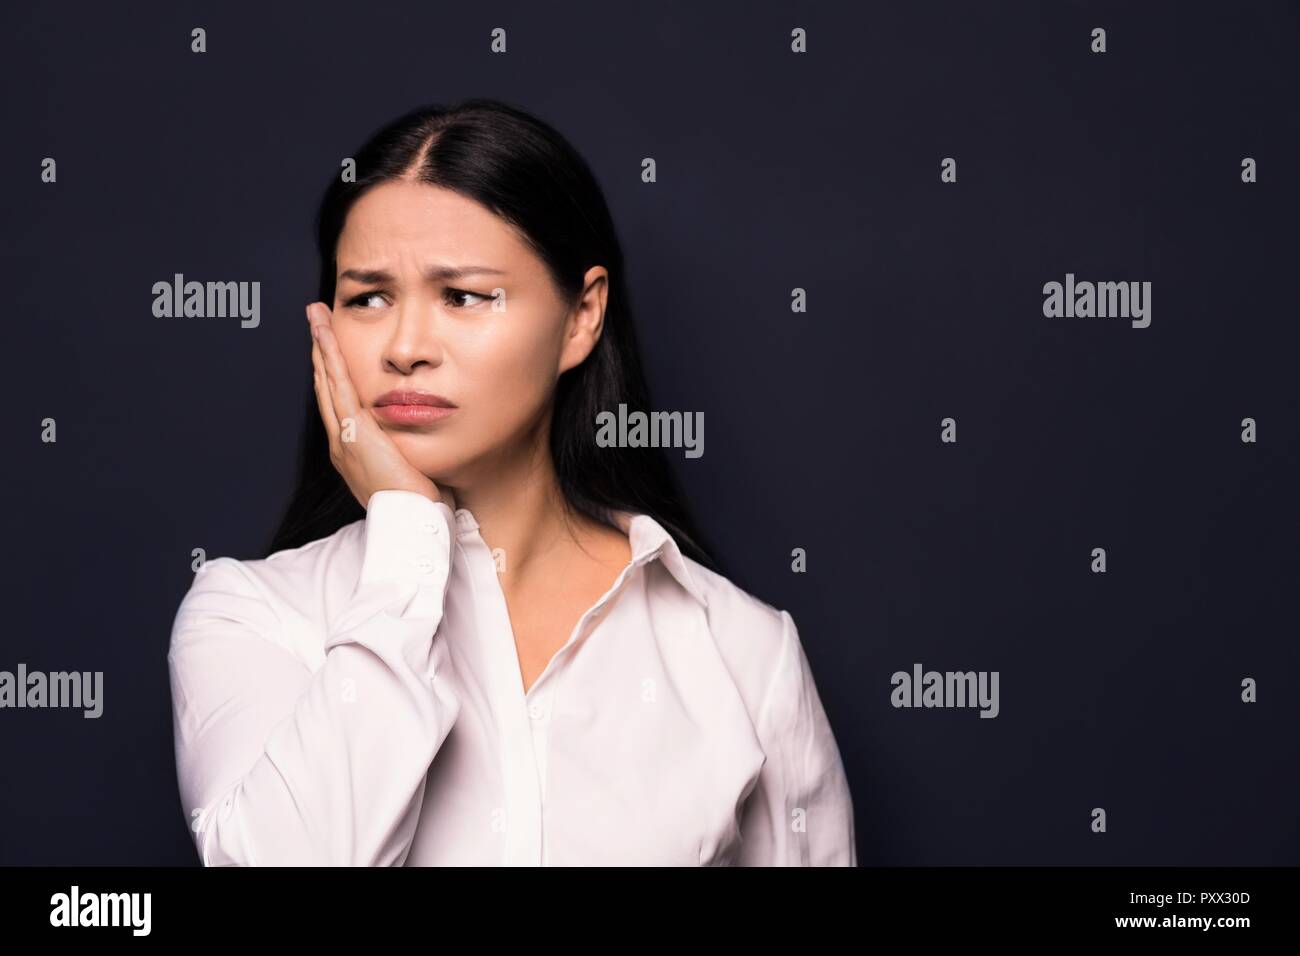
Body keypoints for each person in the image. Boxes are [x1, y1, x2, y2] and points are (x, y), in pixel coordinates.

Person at [167, 98, 856, 866]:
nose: (405, 347)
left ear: (581, 316)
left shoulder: (743, 652)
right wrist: (407, 529)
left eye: (464, 295)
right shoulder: (256, 617)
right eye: (368, 298)